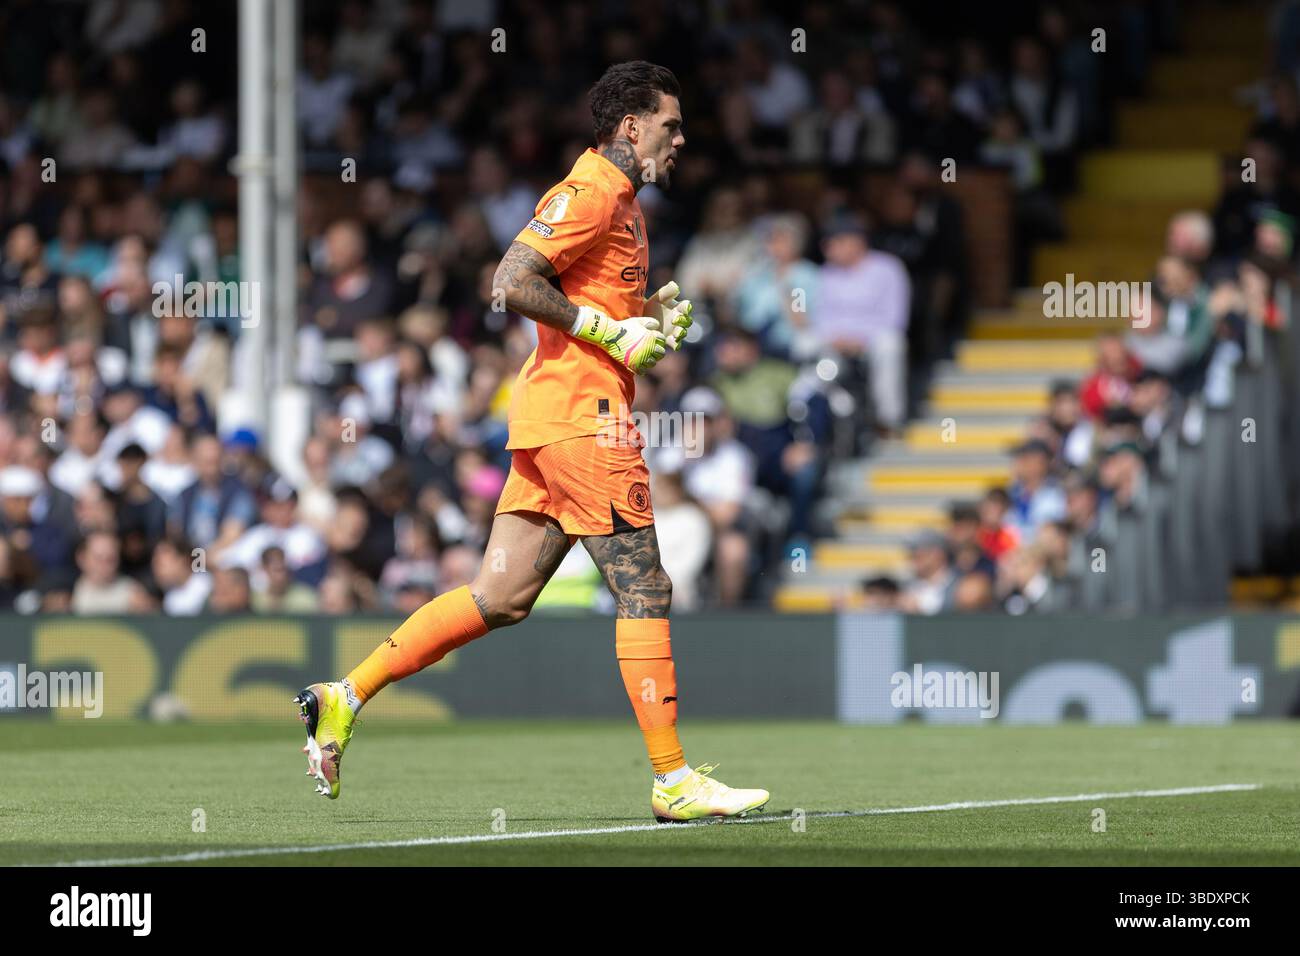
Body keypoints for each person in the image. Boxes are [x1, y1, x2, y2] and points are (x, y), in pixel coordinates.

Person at [293, 61, 767, 822]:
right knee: (645, 587)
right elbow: (510, 280)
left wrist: (641, 315)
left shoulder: (624, 205)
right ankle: (673, 778)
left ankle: (343, 696)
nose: (682, 139)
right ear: (631, 127)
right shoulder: (592, 191)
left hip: (551, 420)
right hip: (584, 421)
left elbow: (582, 297)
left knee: (502, 597)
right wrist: (608, 329)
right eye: (671, 126)